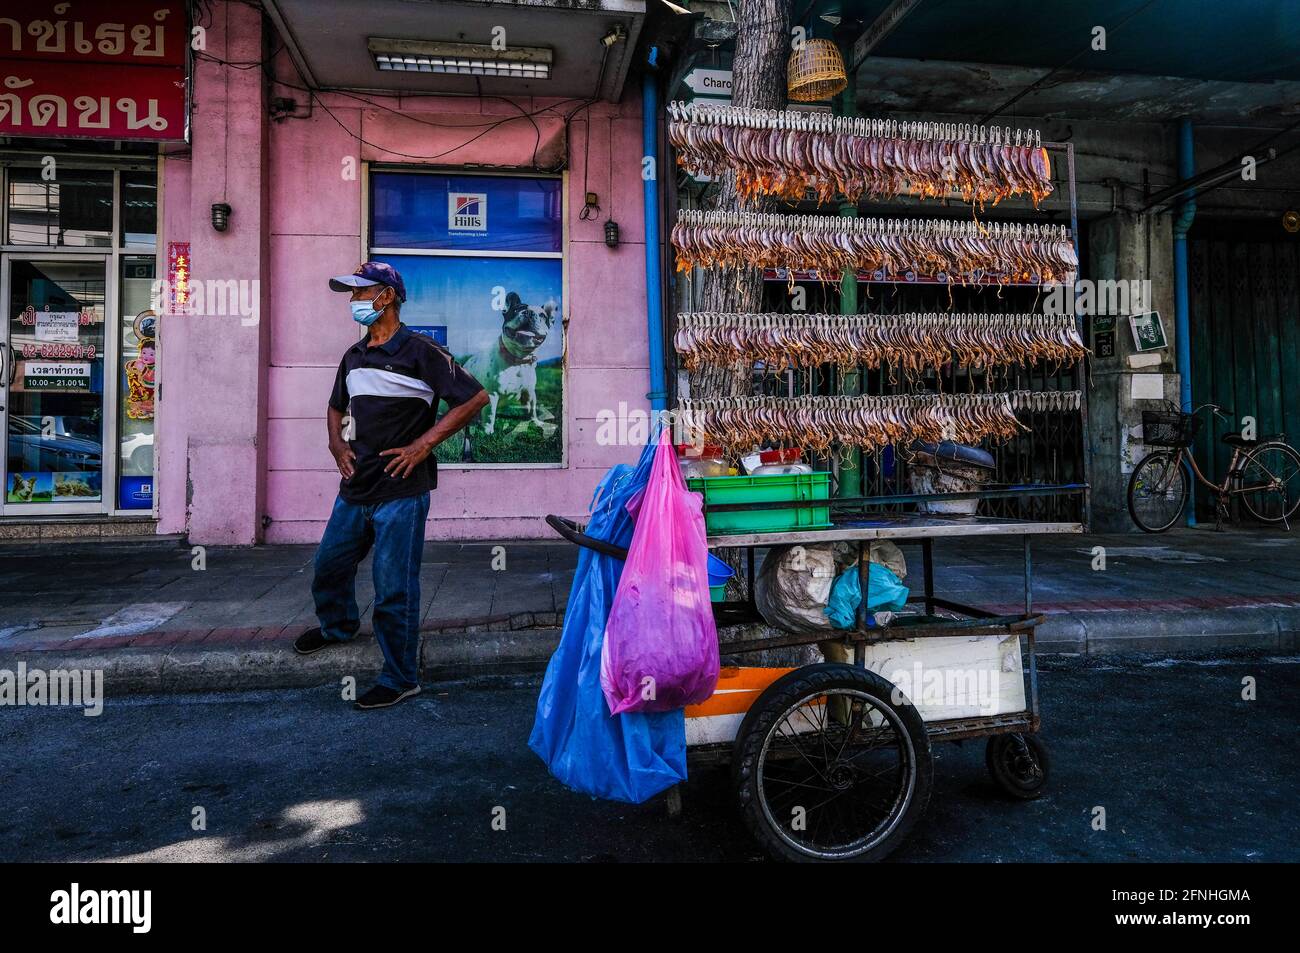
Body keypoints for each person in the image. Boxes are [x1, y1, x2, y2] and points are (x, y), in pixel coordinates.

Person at [295, 262, 489, 709]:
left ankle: (401, 676)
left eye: (361, 293)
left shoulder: (421, 351)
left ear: (387, 296)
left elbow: (475, 398)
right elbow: (335, 406)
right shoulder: (354, 356)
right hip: (355, 486)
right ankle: (338, 627)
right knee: (329, 565)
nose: (354, 302)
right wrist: (334, 445)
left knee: (394, 586)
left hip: (402, 491)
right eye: (352, 294)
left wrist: (423, 445)